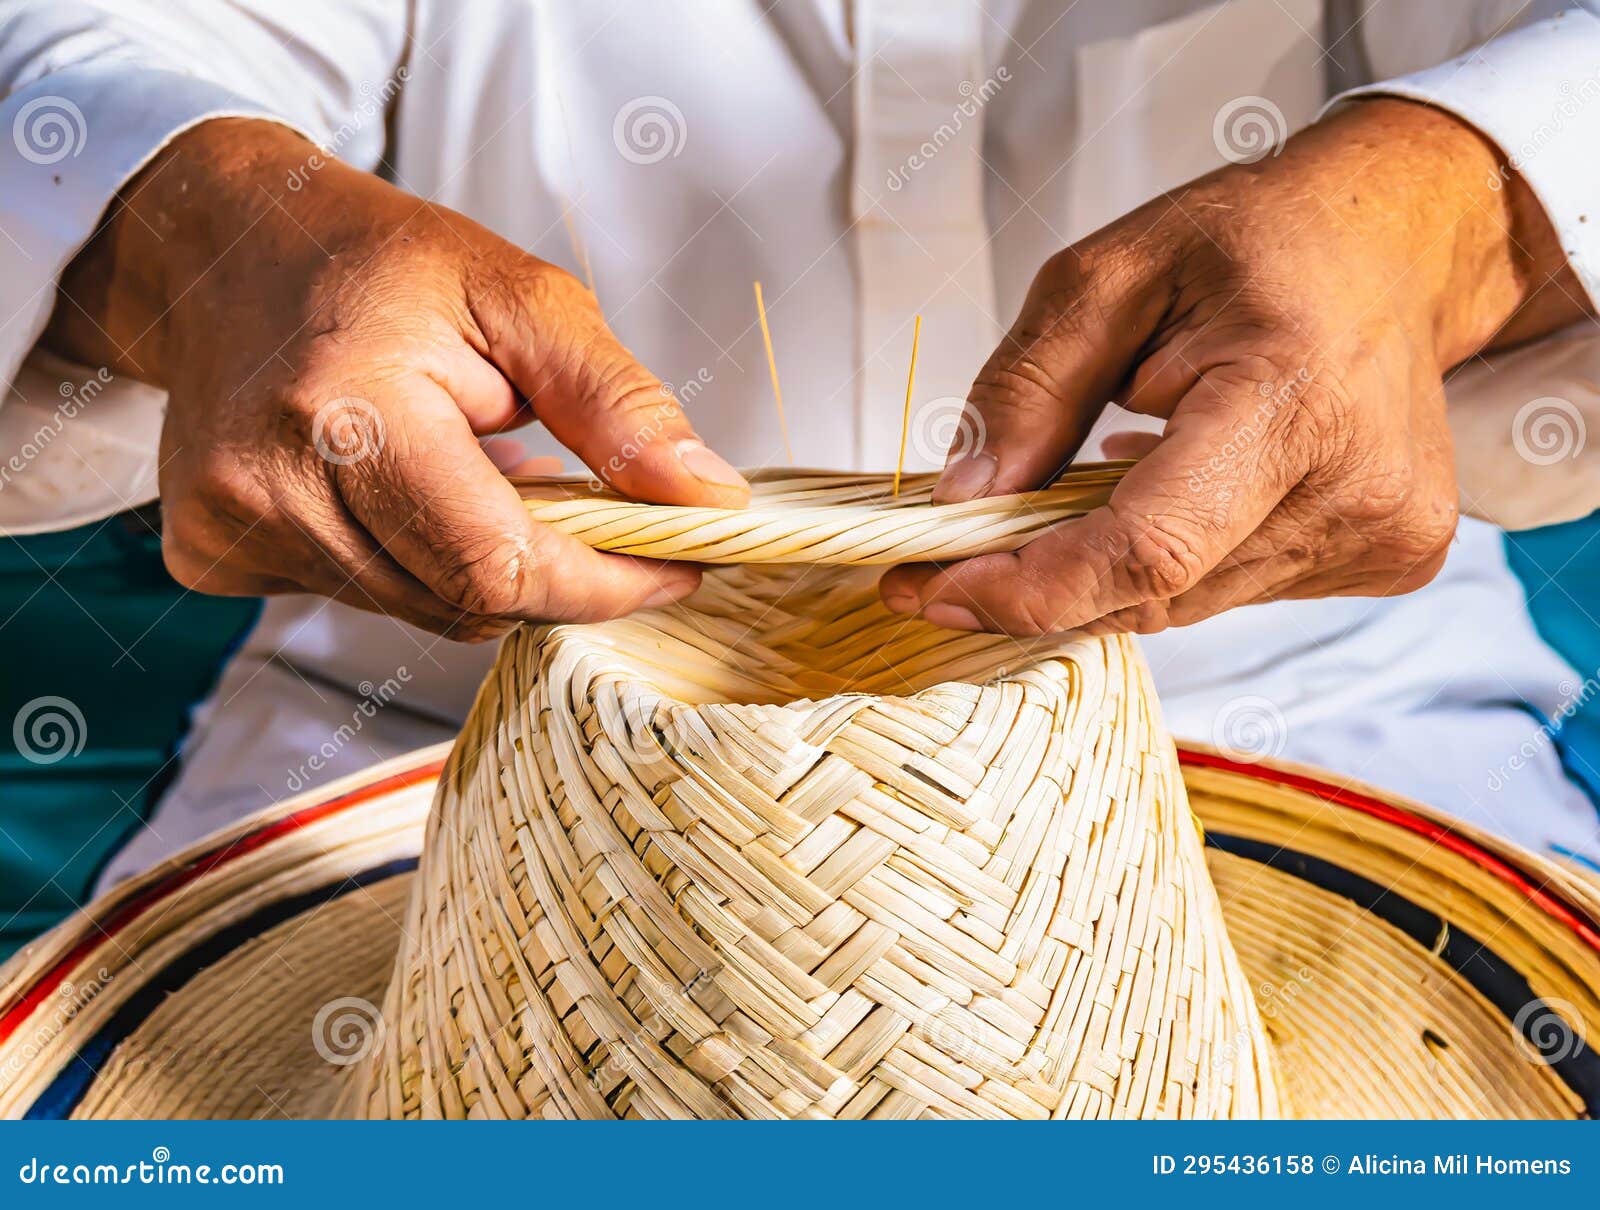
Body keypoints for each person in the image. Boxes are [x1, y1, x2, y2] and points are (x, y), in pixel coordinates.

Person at [0, 0, 1597, 886]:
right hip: (439, 749)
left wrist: (1448, 200)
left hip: (1310, 713)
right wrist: (207, 229)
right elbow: (100, 43)